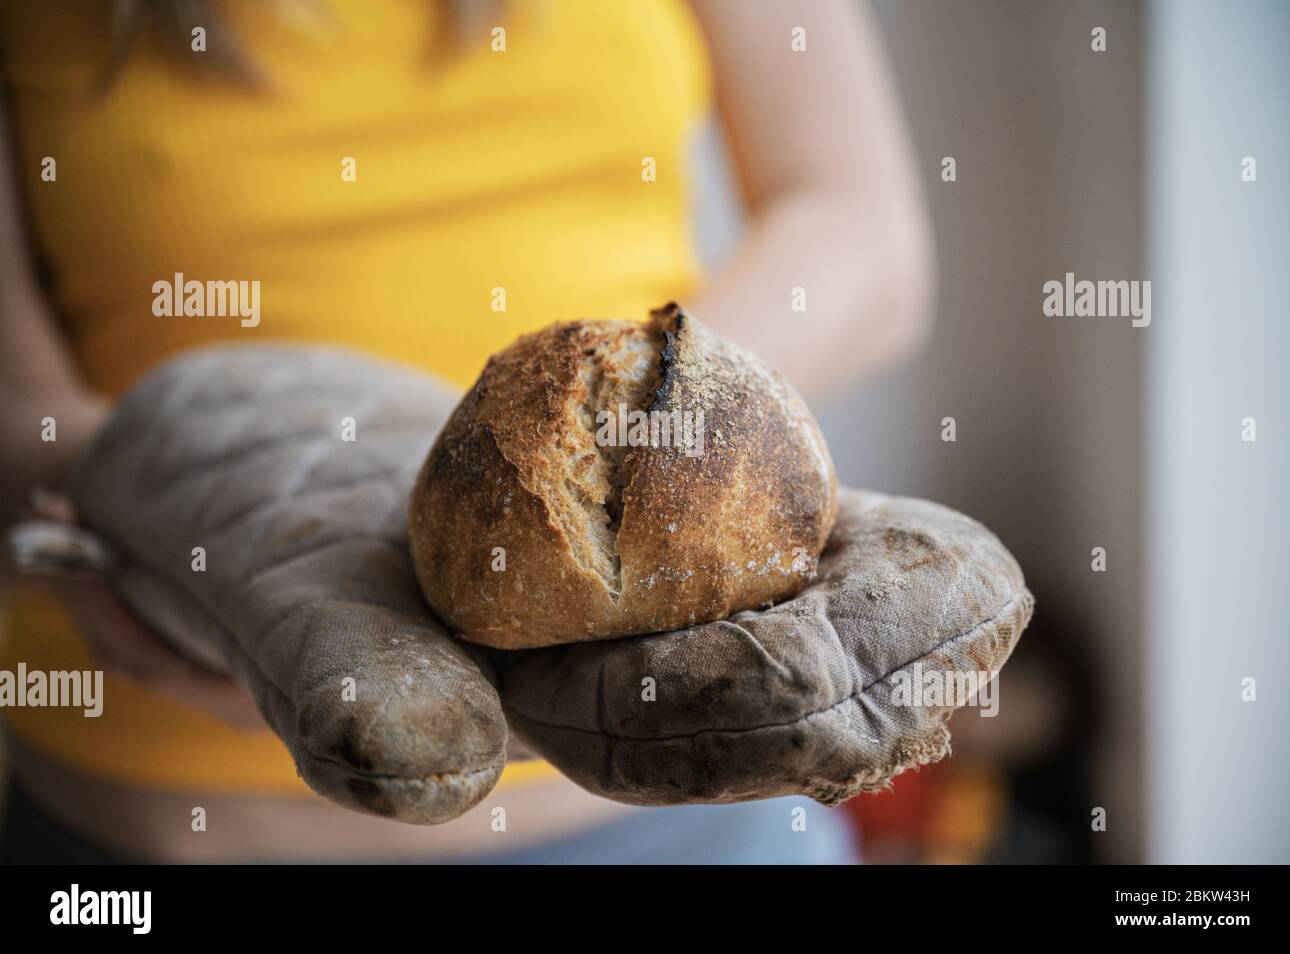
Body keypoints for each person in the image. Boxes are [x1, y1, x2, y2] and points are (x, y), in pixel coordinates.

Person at [0, 0, 932, 863]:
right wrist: (178, 527)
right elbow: (18, 412)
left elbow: (861, 231)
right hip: (164, 832)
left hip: (685, 807)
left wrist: (683, 440)